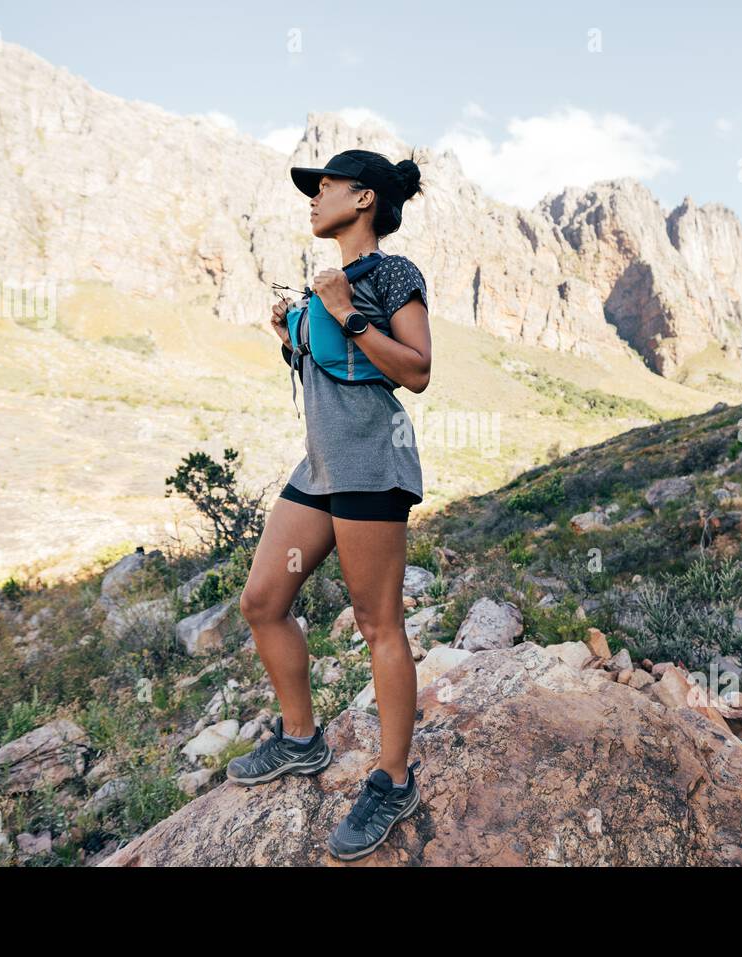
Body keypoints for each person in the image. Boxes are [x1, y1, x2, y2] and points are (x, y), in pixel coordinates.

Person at [226, 148, 432, 862]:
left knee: (379, 622)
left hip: (372, 462)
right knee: (263, 599)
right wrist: (293, 338)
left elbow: (417, 369)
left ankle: (395, 777)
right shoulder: (327, 284)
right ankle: (302, 739)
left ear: (365, 198)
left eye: (326, 187)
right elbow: (336, 376)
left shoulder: (392, 274)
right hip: (320, 467)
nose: (314, 198)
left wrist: (344, 314)